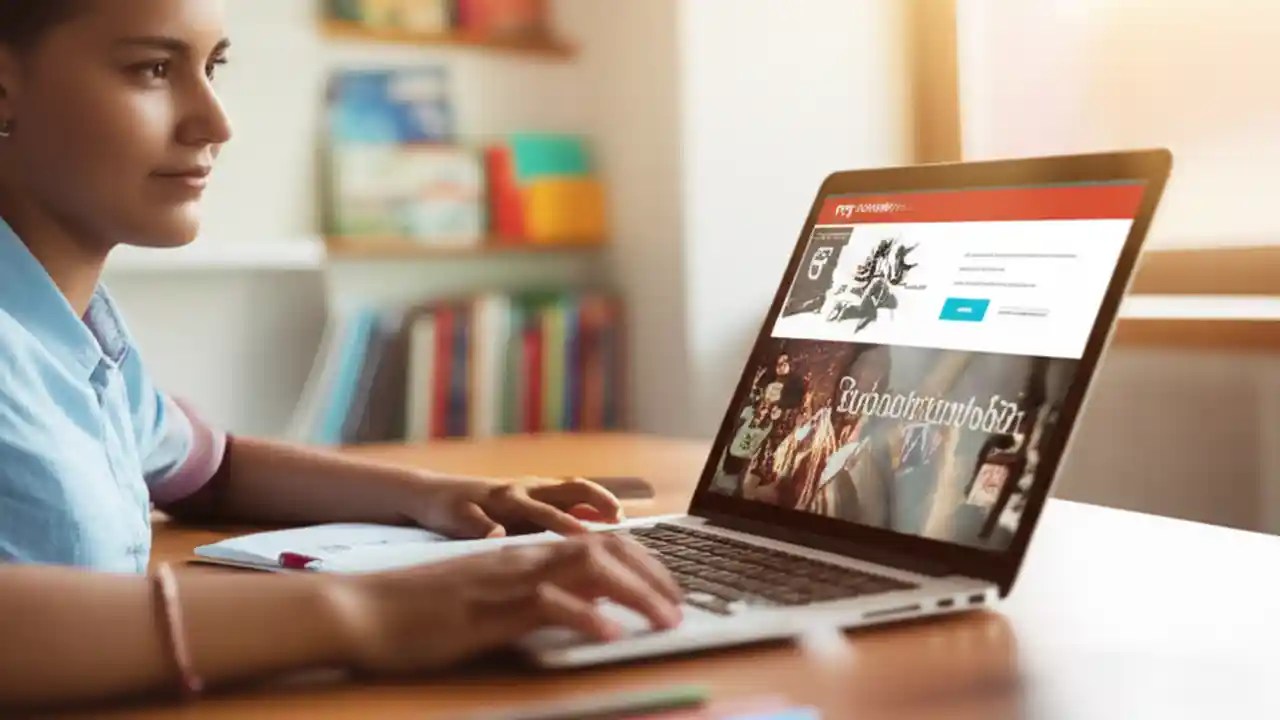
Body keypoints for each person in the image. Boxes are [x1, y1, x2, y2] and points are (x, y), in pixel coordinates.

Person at [0, 0, 681, 710]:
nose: (217, 123)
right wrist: (369, 613)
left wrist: (443, 499)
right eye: (154, 69)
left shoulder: (79, 328)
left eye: (213, 67)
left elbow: (213, 469)